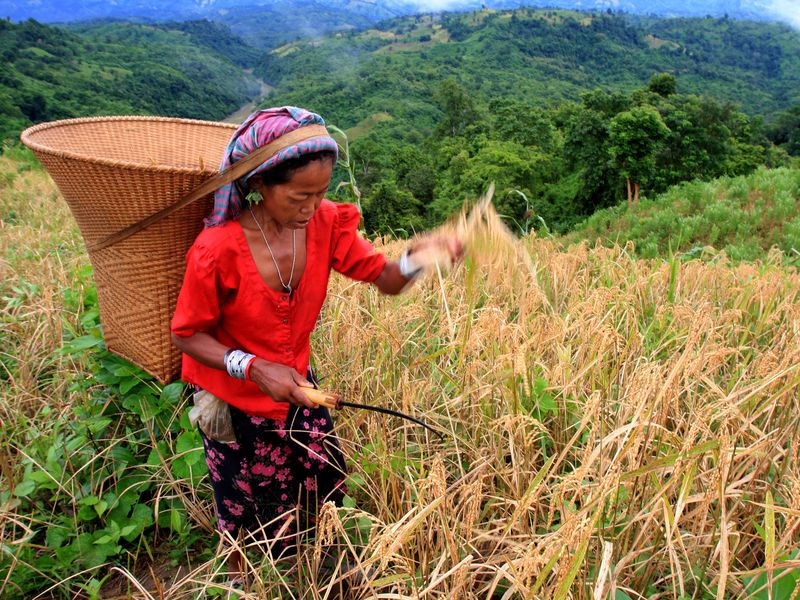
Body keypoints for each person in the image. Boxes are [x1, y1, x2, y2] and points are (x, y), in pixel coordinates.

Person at [169, 107, 461, 588]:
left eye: (322, 193)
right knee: (241, 502)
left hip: (297, 386)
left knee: (319, 481)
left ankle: (312, 568)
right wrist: (254, 366)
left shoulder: (326, 224)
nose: (311, 207)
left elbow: (386, 279)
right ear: (261, 183)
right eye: (300, 196)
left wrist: (419, 258)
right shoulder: (216, 249)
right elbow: (186, 333)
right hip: (232, 394)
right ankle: (238, 582)